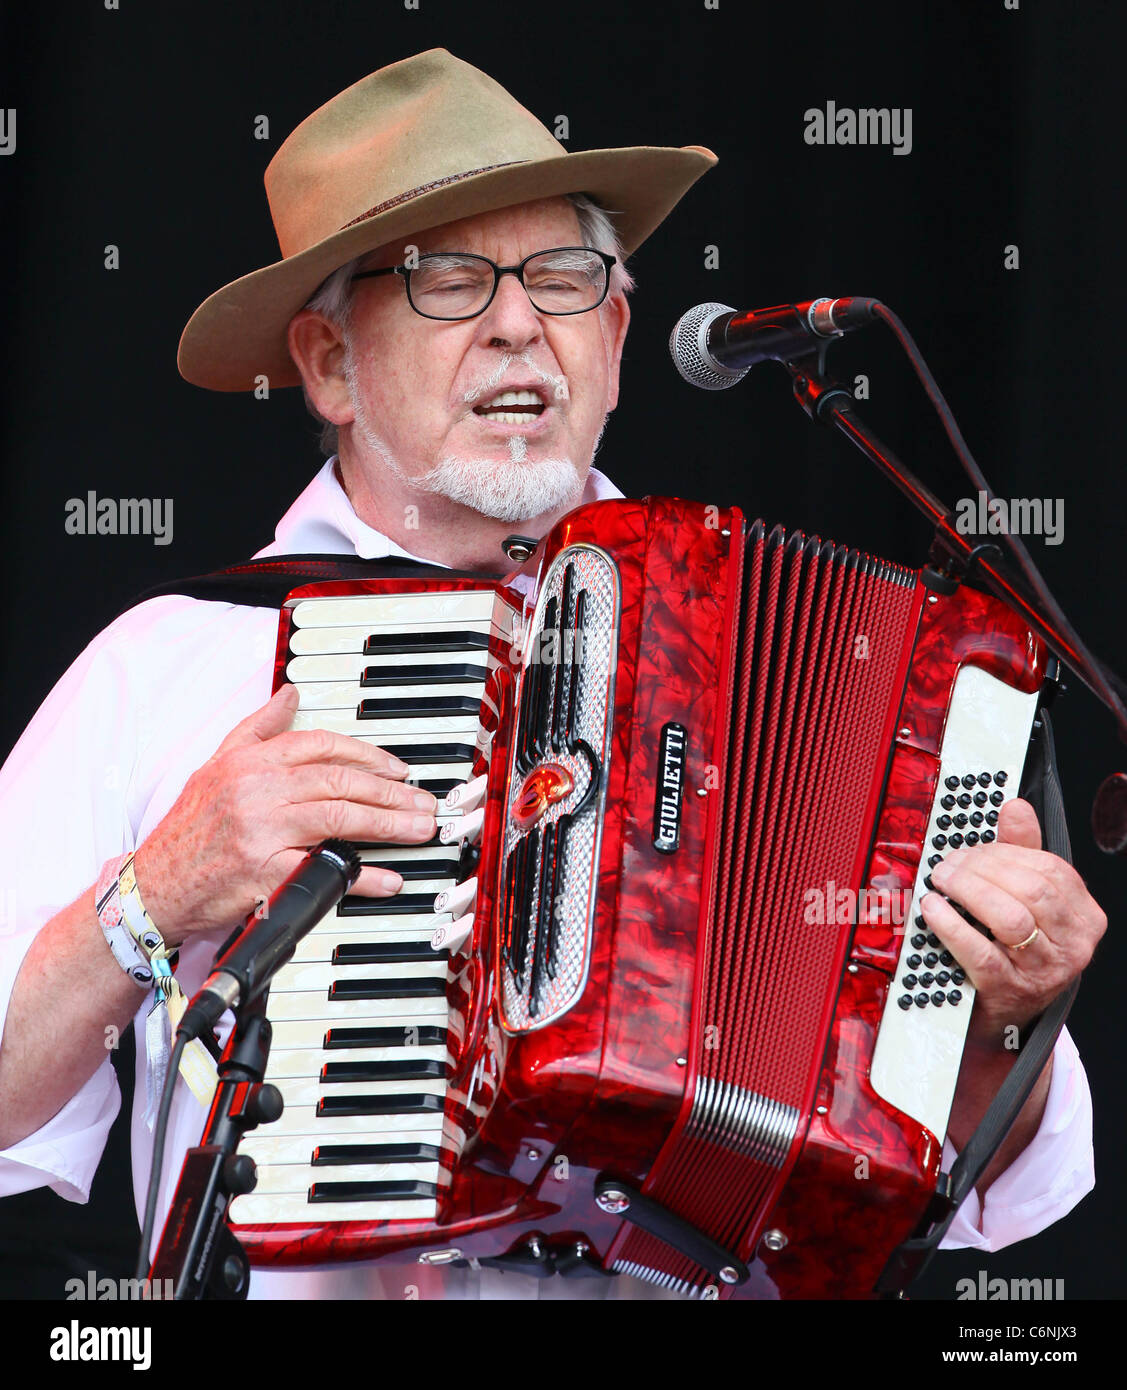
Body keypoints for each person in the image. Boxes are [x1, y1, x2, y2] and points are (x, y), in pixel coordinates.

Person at [0, 49, 1106, 1301]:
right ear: (326, 363)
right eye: (446, 280)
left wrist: (1011, 1014)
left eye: (562, 278)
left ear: (618, 334)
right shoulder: (169, 662)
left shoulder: (821, 666)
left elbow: (964, 1184)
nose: (518, 321)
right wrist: (156, 894)